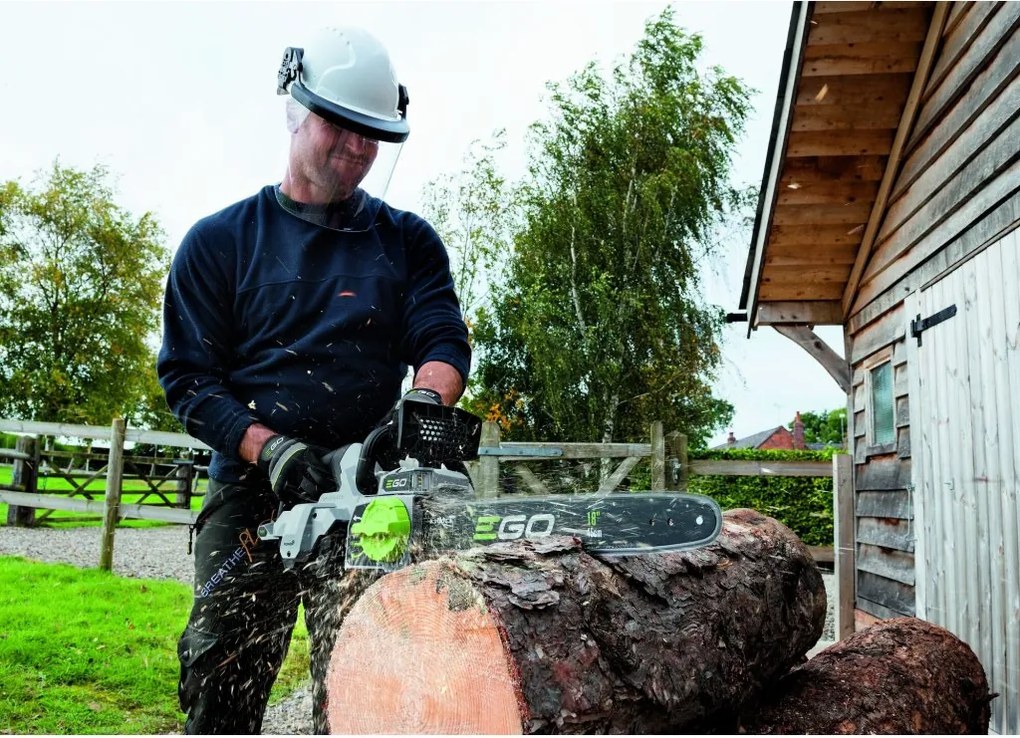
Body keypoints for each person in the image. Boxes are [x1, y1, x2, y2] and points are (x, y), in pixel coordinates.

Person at [157, 25, 470, 735]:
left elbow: (442, 339)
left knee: (373, 684)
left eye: (372, 135)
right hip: (253, 492)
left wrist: (423, 405)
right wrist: (269, 449)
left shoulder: (407, 242)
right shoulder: (221, 243)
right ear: (296, 108)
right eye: (344, 128)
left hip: (370, 488)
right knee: (221, 675)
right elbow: (188, 379)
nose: (359, 149)